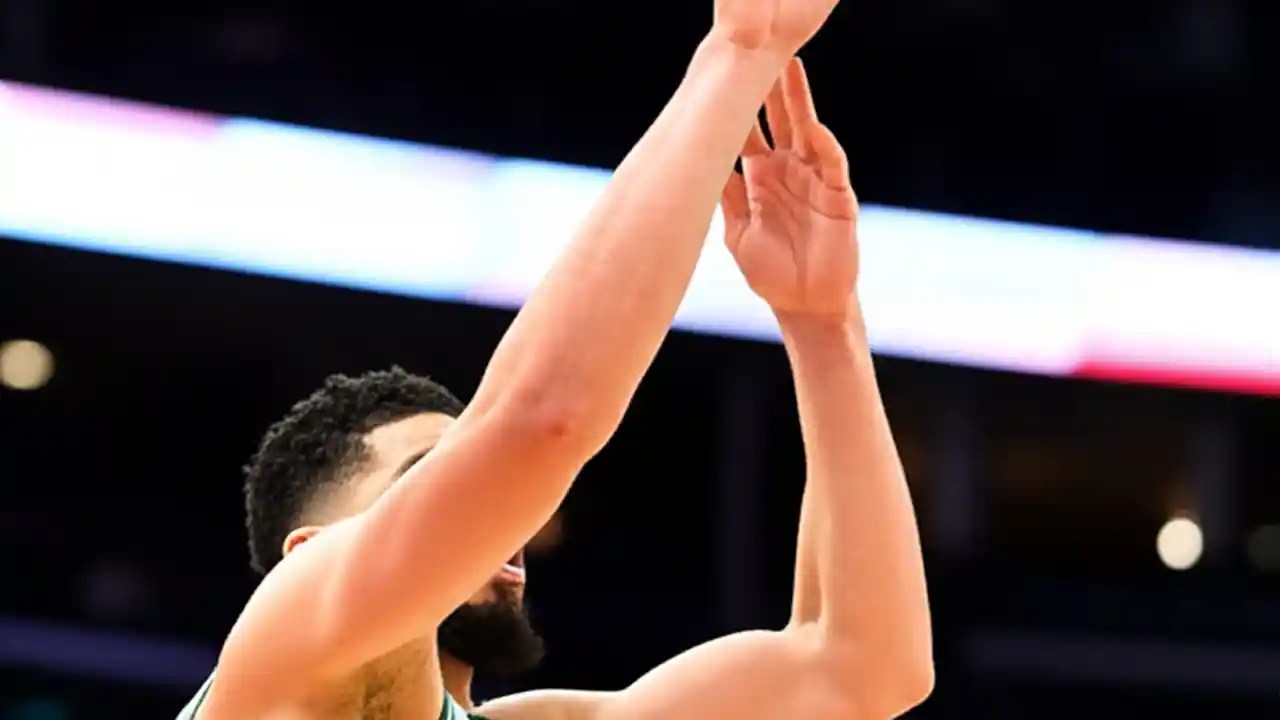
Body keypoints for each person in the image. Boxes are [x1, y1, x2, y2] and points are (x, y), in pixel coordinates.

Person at [179, 0, 933, 716]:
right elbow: (539, 425)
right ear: (310, 553)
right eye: (427, 476)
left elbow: (863, 668)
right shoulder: (284, 654)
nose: (501, 515)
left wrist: (822, 324)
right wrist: (738, 54)